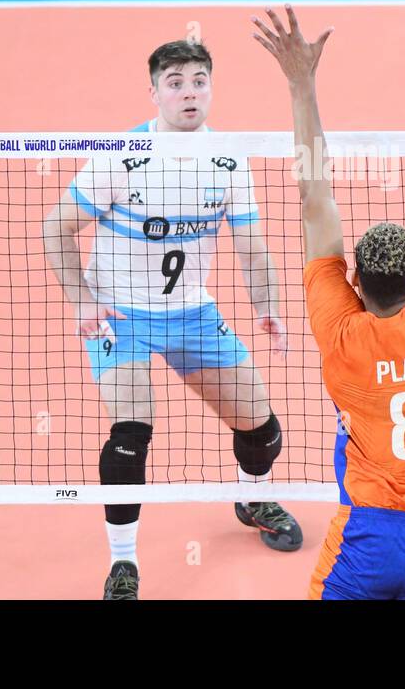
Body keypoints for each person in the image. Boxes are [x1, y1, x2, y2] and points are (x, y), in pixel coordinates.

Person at [253, 0, 405, 599]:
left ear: (354, 279)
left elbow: (314, 200)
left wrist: (301, 83)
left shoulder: (341, 331)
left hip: (364, 543)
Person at [42, 40, 301, 601]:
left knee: (263, 429)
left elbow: (253, 249)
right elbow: (56, 228)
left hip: (192, 313)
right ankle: (123, 563)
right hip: (122, 316)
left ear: (211, 88)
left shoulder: (228, 159)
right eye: (176, 81)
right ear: (155, 91)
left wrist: (267, 307)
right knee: (132, 435)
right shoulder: (120, 157)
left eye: (199, 80)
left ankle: (252, 495)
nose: (189, 92)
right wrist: (83, 302)